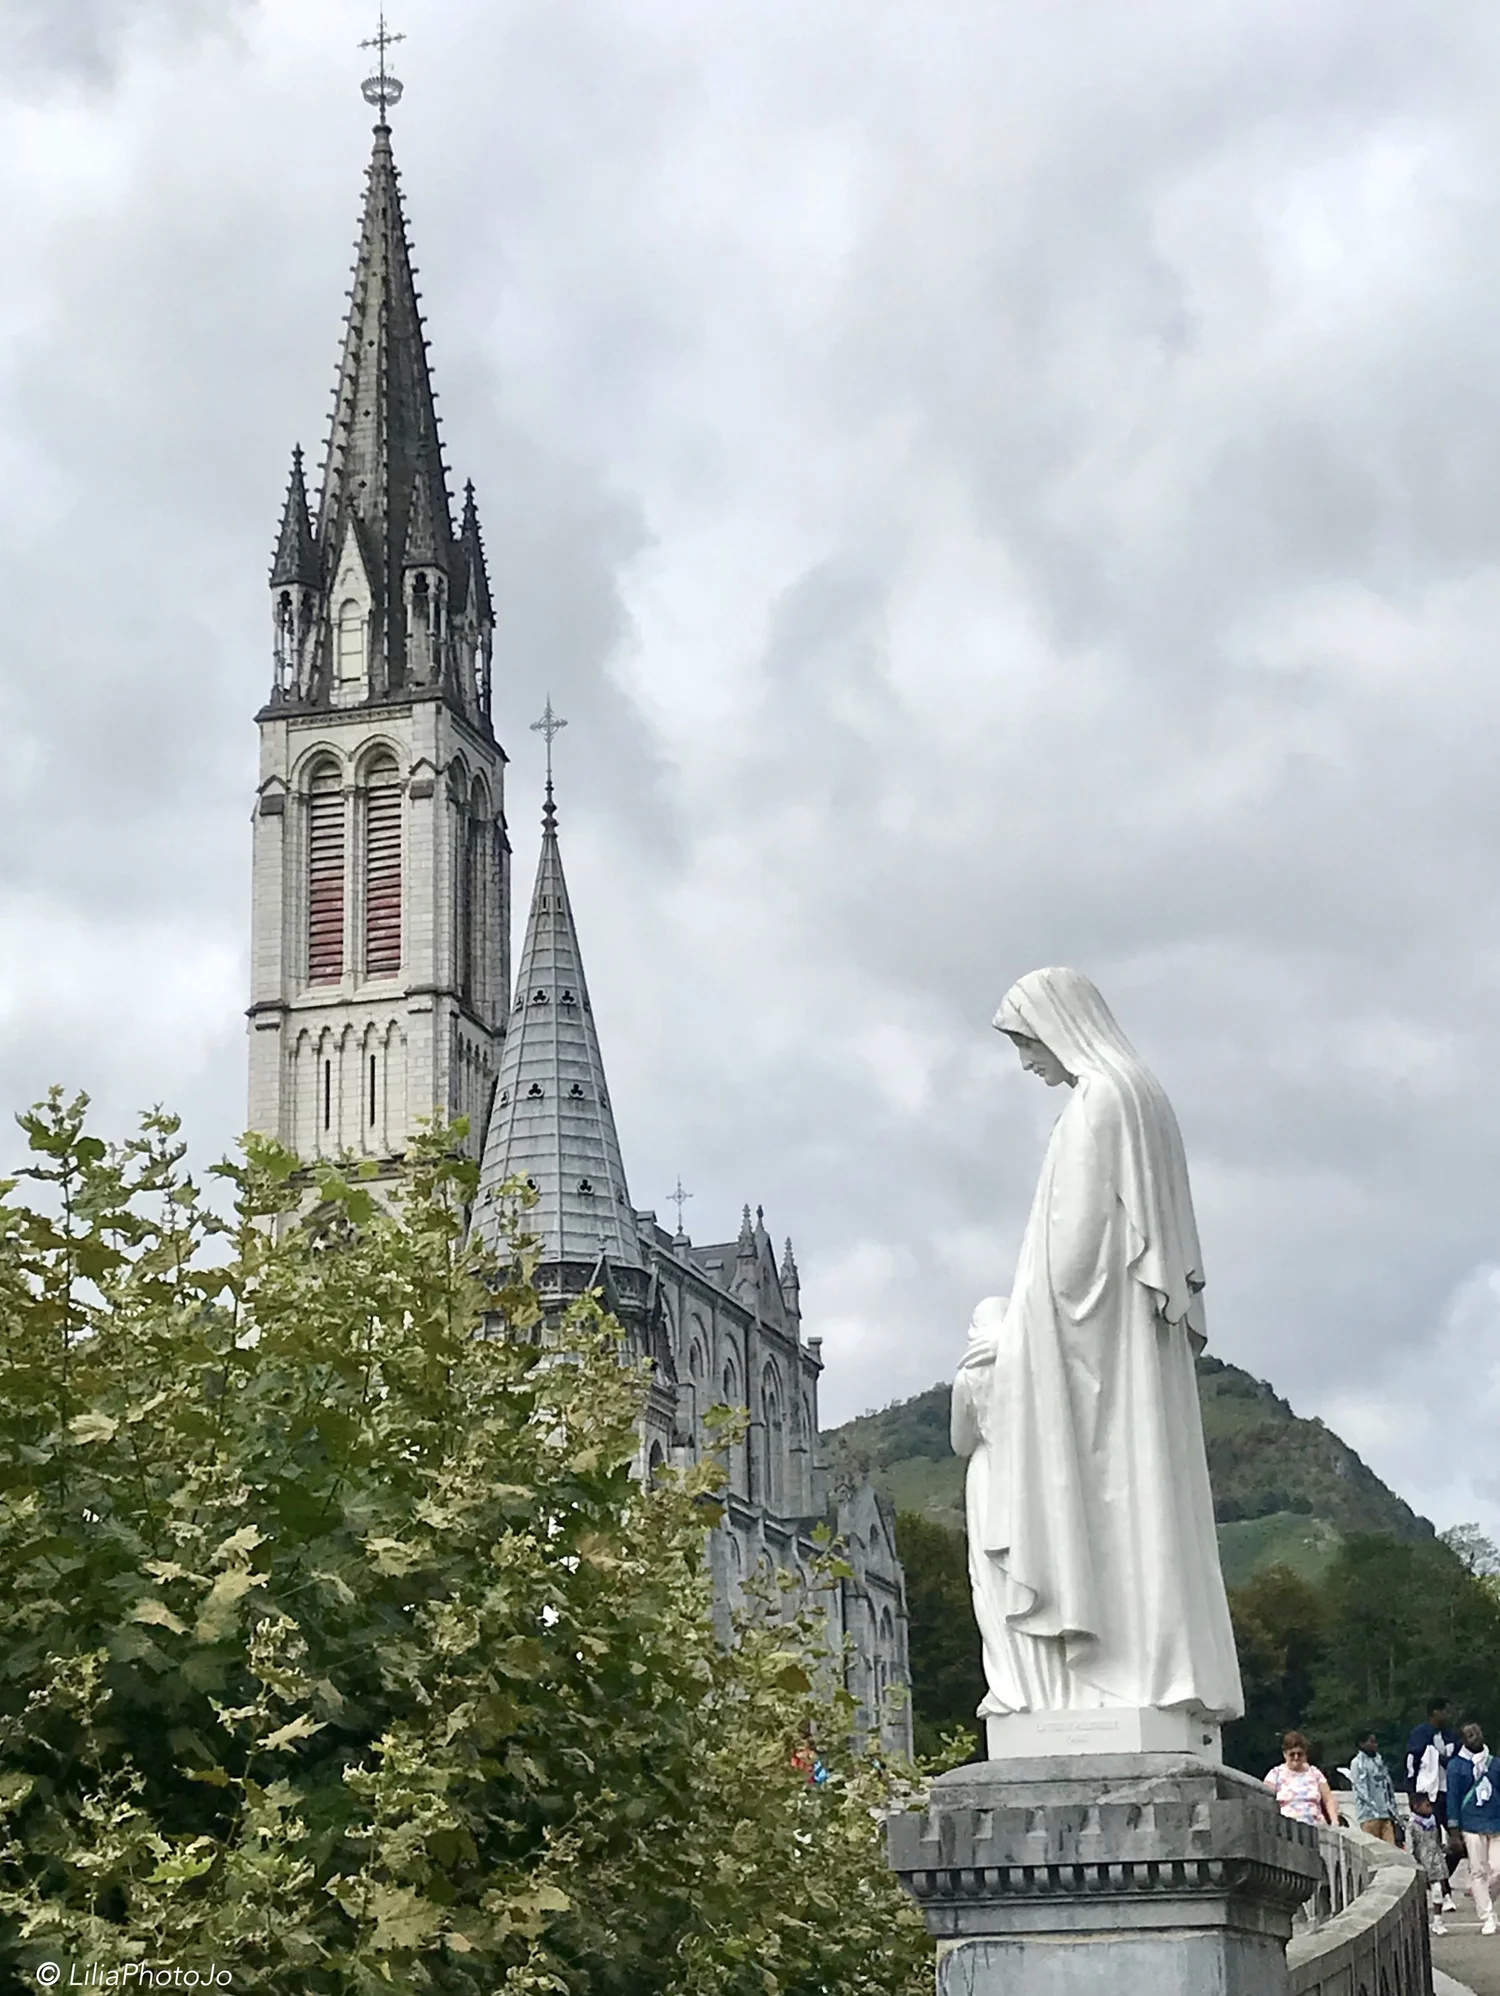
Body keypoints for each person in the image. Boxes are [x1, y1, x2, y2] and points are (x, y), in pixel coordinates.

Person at [970, 969, 1242, 1723]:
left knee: (1107, 1501)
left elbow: (1076, 1252)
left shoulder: (1097, 1103)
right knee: (1146, 1500)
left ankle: (1115, 1677)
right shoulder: (1143, 1096)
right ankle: (1157, 1667)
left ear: (1059, 1026)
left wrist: (1017, 1329)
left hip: (1095, 1346)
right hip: (1128, 1343)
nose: (1027, 1063)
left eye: (1027, 1042)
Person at [1409, 1696, 1462, 1900]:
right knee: (1430, 1843)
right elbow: (1411, 1763)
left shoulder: (1451, 1735)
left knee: (1457, 1844)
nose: (1448, 1715)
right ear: (1435, 1713)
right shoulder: (1420, 1734)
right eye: (1445, 1711)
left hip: (1447, 1793)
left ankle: (1440, 1878)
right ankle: (1443, 1891)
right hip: (1427, 1795)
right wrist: (1413, 1794)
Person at [1451, 1720, 1500, 1936]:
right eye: (1469, 1735)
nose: (1475, 1737)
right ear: (1463, 1740)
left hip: (1496, 1821)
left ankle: (1485, 1899)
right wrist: (1453, 1830)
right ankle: (1487, 1914)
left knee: (1498, 1870)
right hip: (1470, 1823)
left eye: (1477, 1732)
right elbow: (1453, 1798)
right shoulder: (1456, 1766)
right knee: (1478, 1871)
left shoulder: (1495, 1764)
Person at [1265, 1731, 1339, 1828]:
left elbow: (1328, 1798)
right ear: (1284, 1754)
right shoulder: (1275, 1774)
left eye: (1300, 1754)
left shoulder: (1314, 1773)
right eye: (1292, 1754)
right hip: (1287, 1828)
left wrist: (1334, 1821)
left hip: (1315, 1827)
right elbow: (1265, 1798)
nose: (1296, 1758)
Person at [1410, 1792, 1450, 1937]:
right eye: (1427, 1806)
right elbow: (1411, 1845)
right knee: (1419, 1895)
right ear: (1416, 1807)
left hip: (1435, 1860)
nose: (1430, 1809)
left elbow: (1438, 1839)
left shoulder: (1433, 1821)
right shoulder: (1412, 1825)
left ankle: (1438, 1921)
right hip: (1421, 1861)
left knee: (1438, 1889)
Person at [1345, 1731, 1398, 1842]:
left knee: (1390, 1848)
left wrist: (1392, 1810)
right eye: (1371, 1742)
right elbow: (1361, 1789)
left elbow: (1388, 1786)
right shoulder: (1357, 1763)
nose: (1375, 1745)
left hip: (1386, 1814)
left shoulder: (1379, 1761)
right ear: (1361, 1744)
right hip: (1368, 1815)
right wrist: (1373, 1808)